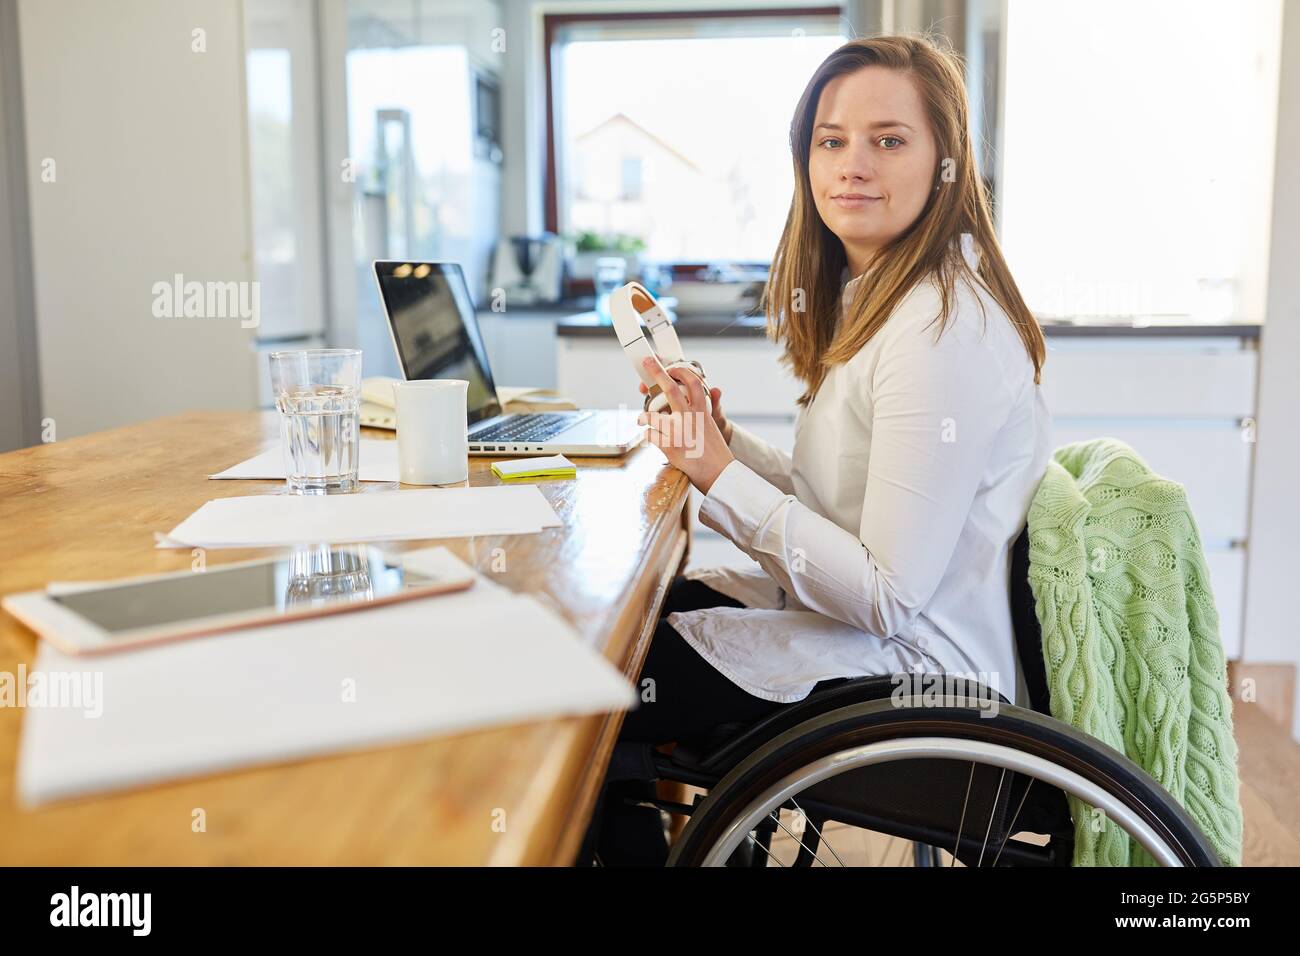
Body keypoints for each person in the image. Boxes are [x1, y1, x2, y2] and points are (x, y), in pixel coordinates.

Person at [586, 33, 1051, 866]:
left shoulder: (939, 330)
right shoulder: (888, 296)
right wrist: (725, 447)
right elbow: (843, 502)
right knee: (621, 639)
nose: (852, 165)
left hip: (917, 684)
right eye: (830, 141)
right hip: (877, 645)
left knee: (595, 690)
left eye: (889, 140)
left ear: (948, 161)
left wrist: (718, 474)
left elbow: (885, 594)